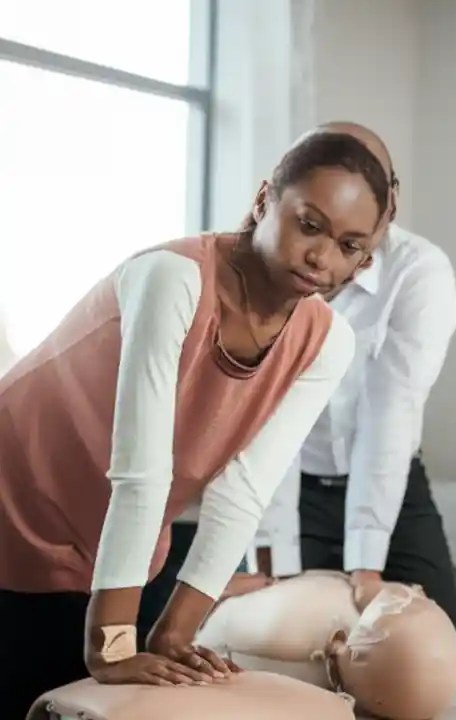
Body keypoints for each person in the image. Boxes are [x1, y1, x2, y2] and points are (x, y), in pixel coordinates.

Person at [0, 130, 394, 719]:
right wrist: (112, 644)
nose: (323, 258)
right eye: (309, 225)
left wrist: (176, 633)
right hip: (15, 494)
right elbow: (142, 473)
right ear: (265, 199)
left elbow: (245, 488)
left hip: (105, 538)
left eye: (349, 246)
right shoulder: (174, 277)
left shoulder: (327, 341)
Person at [251, 121, 456, 630]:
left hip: (392, 476)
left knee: (434, 637)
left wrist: (366, 567)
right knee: (286, 632)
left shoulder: (420, 272)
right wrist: (268, 558)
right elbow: (264, 416)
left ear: (389, 203)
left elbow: (390, 412)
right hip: (289, 477)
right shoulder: (273, 261)